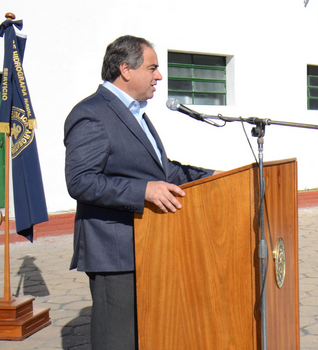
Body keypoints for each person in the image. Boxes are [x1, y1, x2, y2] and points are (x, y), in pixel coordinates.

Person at [65, 35, 214, 350]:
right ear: (125, 69)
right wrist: (142, 190)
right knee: (117, 341)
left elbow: (163, 172)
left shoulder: (136, 113)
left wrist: (218, 178)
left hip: (149, 245)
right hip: (114, 251)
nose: (159, 76)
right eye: (153, 68)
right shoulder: (92, 113)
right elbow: (80, 180)